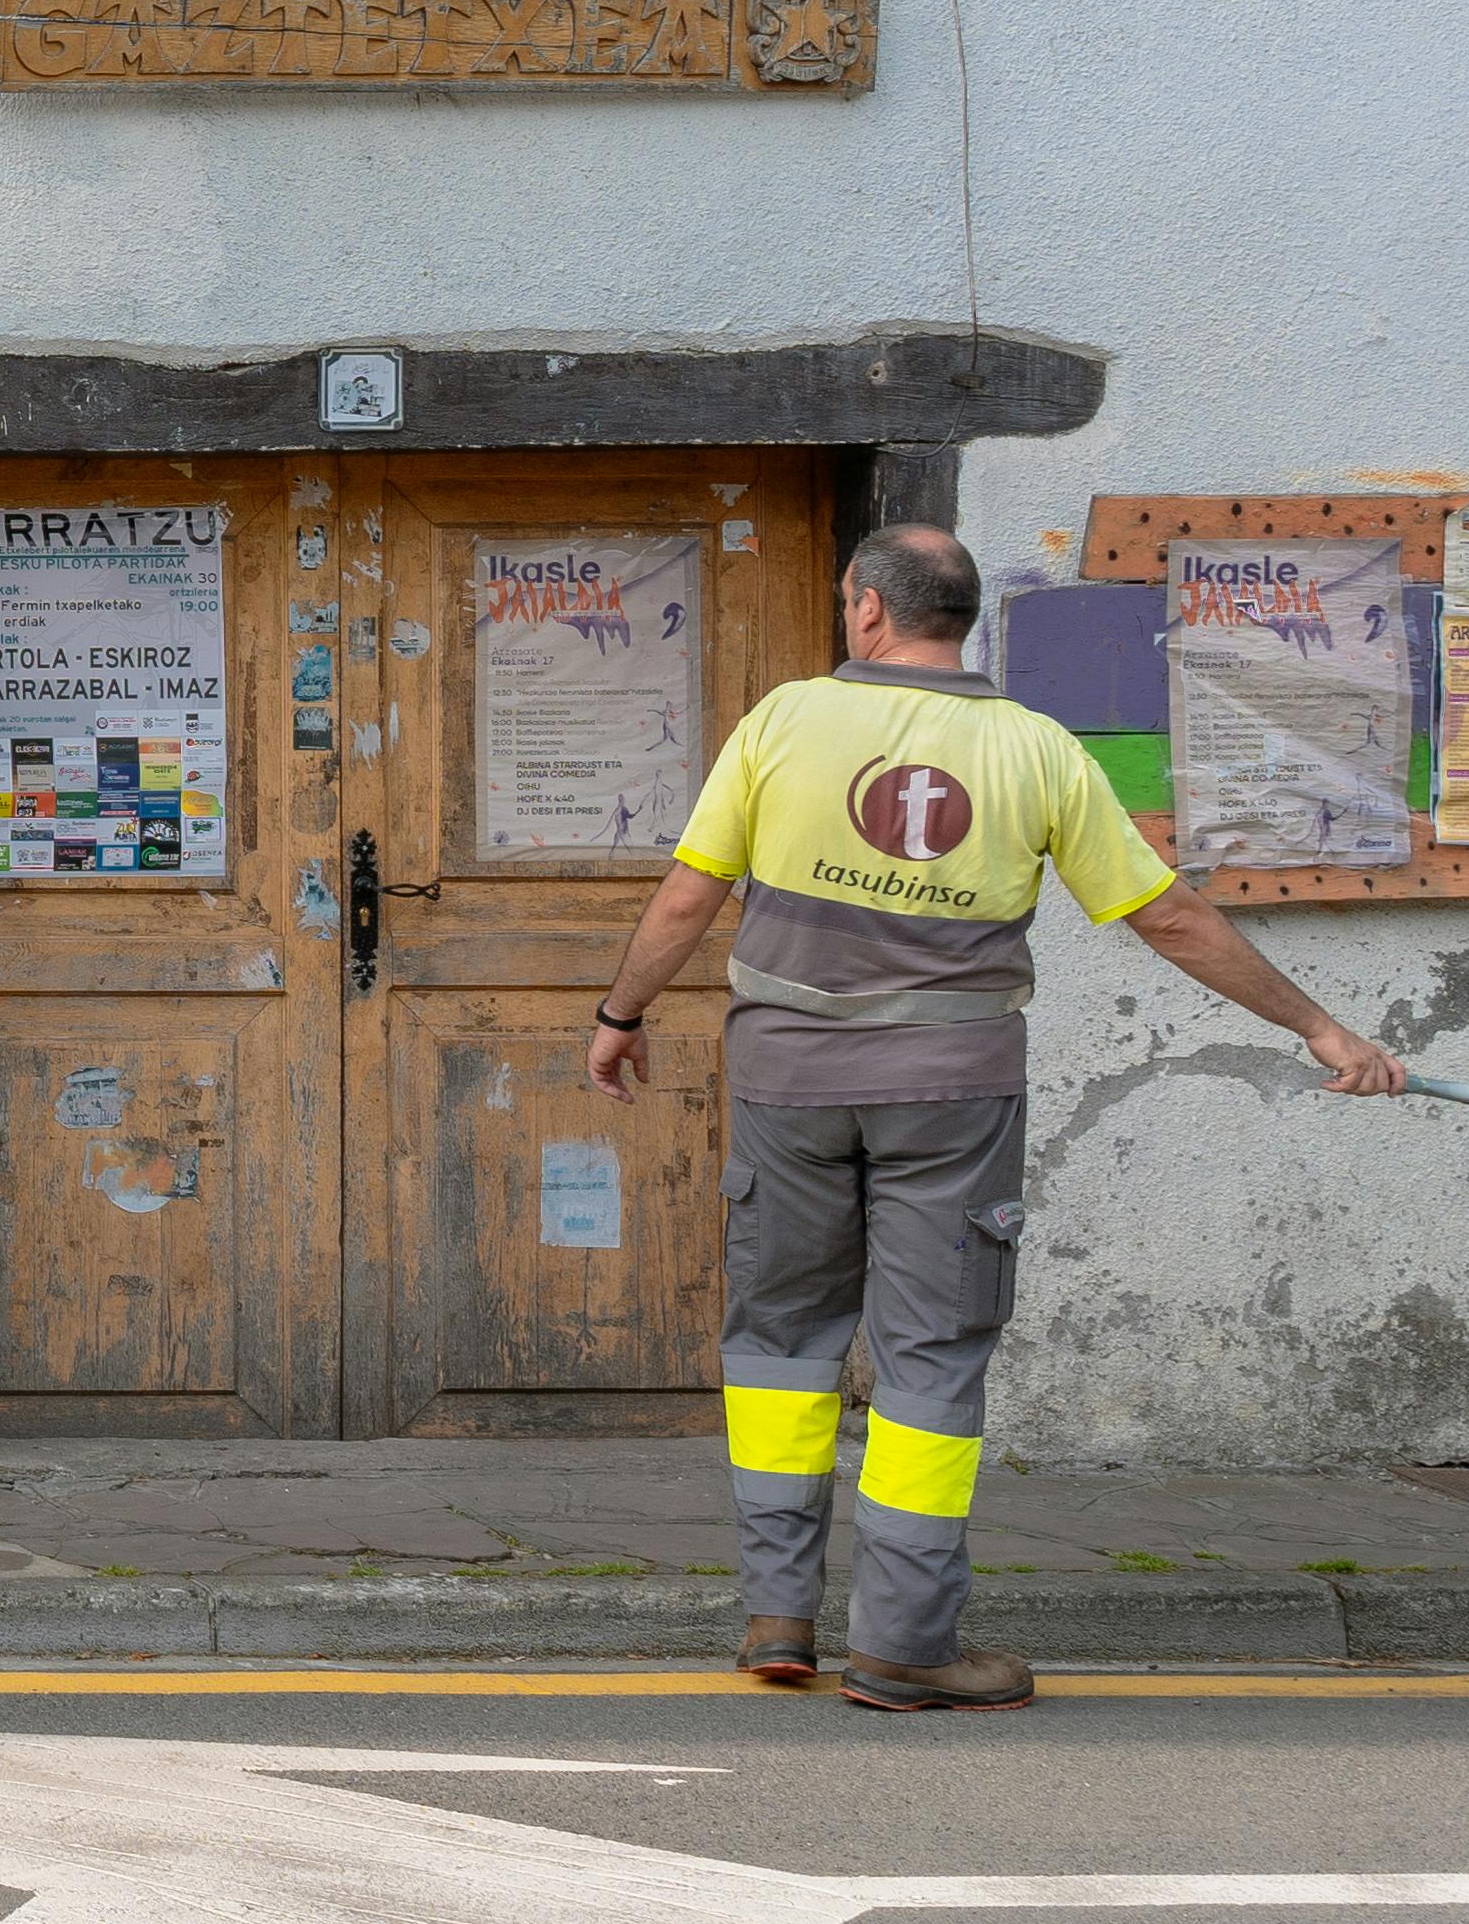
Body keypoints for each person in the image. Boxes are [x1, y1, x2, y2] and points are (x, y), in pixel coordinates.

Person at [586, 523, 1405, 1715]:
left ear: (865, 608)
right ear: (956, 618)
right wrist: (1318, 1029)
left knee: (778, 1342)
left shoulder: (781, 722)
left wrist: (619, 1013)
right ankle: (904, 1647)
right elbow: (1165, 918)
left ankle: (778, 1616)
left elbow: (685, 897)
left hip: (786, 1084)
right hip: (951, 1093)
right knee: (925, 1358)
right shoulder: (1036, 750)